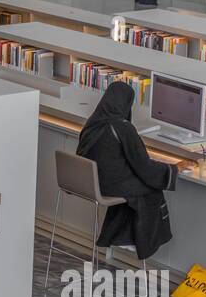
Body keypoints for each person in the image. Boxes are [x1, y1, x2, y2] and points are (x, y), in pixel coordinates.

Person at [75, 81, 177, 260]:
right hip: (107, 187)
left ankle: (119, 237)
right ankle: (141, 242)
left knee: (134, 188)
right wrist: (173, 169)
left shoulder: (92, 122)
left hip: (89, 181)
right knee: (151, 188)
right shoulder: (124, 128)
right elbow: (145, 167)